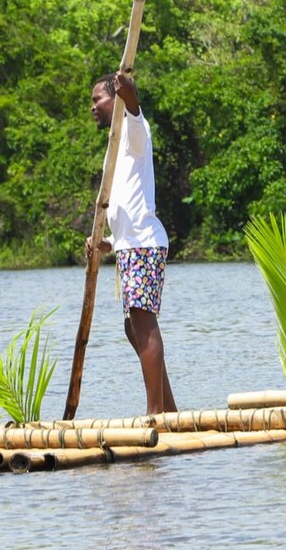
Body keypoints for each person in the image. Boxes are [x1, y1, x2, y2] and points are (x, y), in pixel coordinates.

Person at [86, 70, 177, 415]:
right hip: (130, 245)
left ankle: (155, 413)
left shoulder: (134, 131)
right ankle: (168, 408)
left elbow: (135, 108)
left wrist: (130, 93)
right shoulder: (117, 146)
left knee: (142, 321)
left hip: (143, 245)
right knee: (132, 326)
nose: (93, 107)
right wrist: (108, 242)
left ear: (116, 99)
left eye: (98, 99)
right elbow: (129, 204)